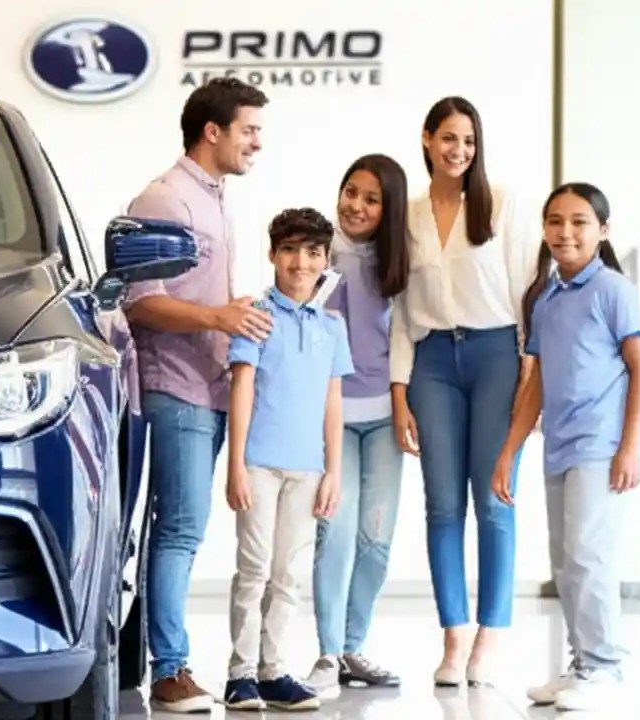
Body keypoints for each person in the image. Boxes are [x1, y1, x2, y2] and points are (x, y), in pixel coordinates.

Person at [121, 76, 271, 714]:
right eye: (249, 130)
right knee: (177, 530)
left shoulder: (213, 198)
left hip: (209, 388)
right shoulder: (165, 198)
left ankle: (166, 660)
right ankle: (169, 669)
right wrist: (217, 320)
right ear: (213, 131)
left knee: (184, 528)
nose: (257, 143)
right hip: (176, 389)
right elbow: (141, 302)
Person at [388, 96, 542, 685]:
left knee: (495, 498)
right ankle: (454, 637)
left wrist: (529, 365)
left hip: (497, 353)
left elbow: (528, 287)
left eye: (469, 141)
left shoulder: (501, 204)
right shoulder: (409, 214)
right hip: (431, 361)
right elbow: (400, 311)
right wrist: (400, 391)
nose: (459, 150)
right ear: (427, 139)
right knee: (442, 504)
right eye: (449, 138)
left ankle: (490, 637)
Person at [491, 182, 640, 712]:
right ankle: (583, 663)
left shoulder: (612, 290)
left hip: (599, 445)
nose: (566, 232)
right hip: (558, 444)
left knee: (589, 557)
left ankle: (605, 667)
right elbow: (535, 382)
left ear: (603, 231)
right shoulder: (547, 298)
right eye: (555, 221)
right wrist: (509, 449)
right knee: (565, 561)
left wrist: (630, 447)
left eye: (579, 222)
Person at [222, 207, 353, 712]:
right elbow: (243, 388)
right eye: (291, 250)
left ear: (325, 261)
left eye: (314, 253)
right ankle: (240, 674)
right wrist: (236, 463)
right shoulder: (256, 315)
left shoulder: (330, 326)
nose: (302, 262)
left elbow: (332, 401)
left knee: (288, 574)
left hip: (308, 469)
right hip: (259, 464)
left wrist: (333, 472)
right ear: (273, 254)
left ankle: (273, 669)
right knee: (253, 568)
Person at [306, 154, 412, 698]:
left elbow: (408, 340)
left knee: (376, 538)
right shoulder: (320, 255)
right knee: (336, 530)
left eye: (371, 199)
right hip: (334, 421)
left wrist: (404, 406)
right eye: (351, 192)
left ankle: (352, 646)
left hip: (385, 420)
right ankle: (326, 652)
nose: (356, 205)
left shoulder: (401, 264)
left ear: (388, 209)